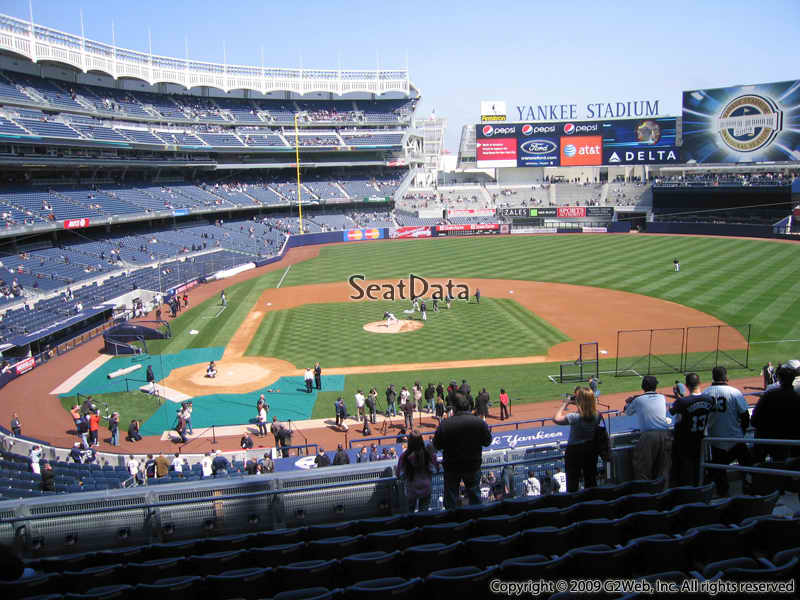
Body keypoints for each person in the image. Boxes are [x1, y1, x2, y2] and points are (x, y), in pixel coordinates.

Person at [433, 392, 492, 509]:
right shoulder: (479, 422)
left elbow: (437, 445)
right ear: (468, 406)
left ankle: (452, 520)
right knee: (475, 497)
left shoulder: (445, 424)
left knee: (451, 499)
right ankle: (477, 518)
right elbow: (487, 442)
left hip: (452, 466)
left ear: (454, 408)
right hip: (472, 465)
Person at [704, 366, 751, 496]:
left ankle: (723, 494)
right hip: (735, 437)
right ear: (725, 377)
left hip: (715, 439)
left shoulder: (706, 393)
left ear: (713, 377)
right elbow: (745, 415)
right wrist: (743, 431)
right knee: (747, 465)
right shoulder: (734, 392)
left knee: (719, 469)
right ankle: (749, 489)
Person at [624, 375, 672, 488]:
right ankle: (662, 494)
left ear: (643, 386)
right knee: (663, 469)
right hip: (665, 434)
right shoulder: (662, 397)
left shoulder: (638, 400)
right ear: (655, 386)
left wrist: (630, 402)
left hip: (648, 437)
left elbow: (628, 412)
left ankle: (645, 495)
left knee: (643, 470)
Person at [553, 387, 602, 492]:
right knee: (591, 480)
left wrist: (565, 403)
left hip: (574, 451)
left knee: (572, 483)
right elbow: (588, 412)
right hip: (590, 450)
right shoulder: (597, 415)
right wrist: (581, 404)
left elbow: (556, 418)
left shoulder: (574, 417)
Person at [669, 372, 713, 486]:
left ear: (686, 386)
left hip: (684, 442)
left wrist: (678, 398)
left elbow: (672, 411)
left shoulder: (682, 401)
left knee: (684, 471)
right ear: (700, 383)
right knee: (699, 469)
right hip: (701, 439)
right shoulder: (709, 399)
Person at [751, 365, 800, 461]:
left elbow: (754, 419)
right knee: (780, 463)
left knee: (758, 462)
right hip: (784, 441)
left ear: (779, 378)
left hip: (765, 437)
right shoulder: (796, 398)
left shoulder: (769, 394)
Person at [398, 430, 439, 512]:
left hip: (411, 488)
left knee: (410, 512)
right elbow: (436, 469)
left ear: (409, 441)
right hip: (426, 487)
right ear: (421, 440)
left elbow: (398, 473)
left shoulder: (404, 456)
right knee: (423, 513)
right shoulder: (428, 454)